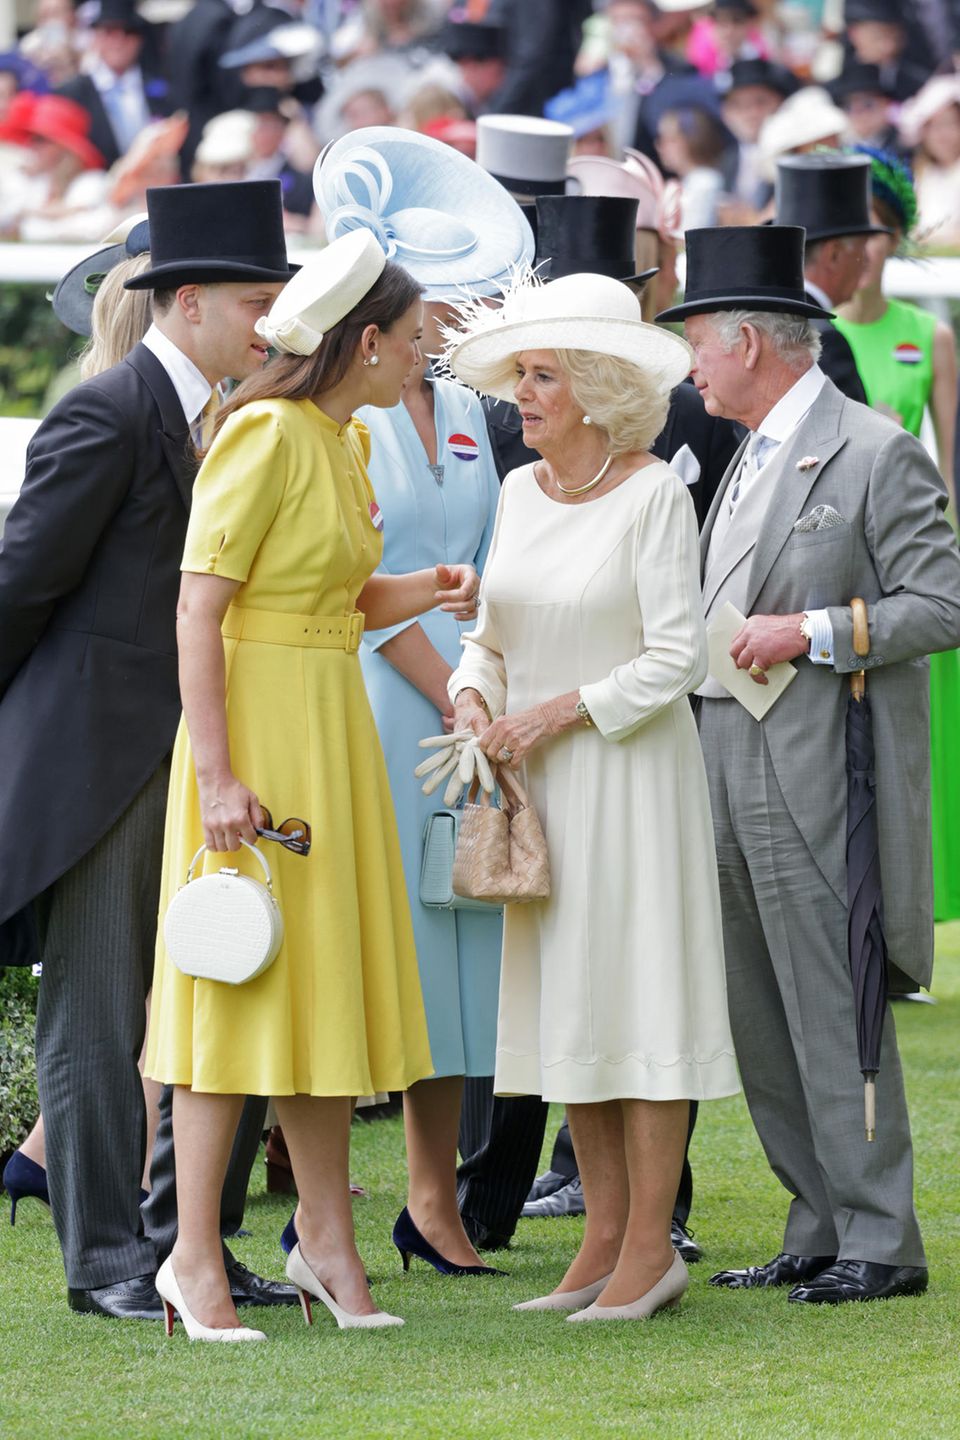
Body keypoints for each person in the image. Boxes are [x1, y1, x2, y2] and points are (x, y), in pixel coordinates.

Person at [144, 228, 480, 1341]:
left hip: (325, 725)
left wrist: (427, 585)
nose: (424, 356)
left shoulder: (342, 439)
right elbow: (201, 608)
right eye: (415, 337)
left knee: (322, 990)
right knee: (238, 992)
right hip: (258, 742)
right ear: (367, 339)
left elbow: (332, 598)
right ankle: (192, 1260)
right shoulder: (270, 435)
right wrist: (220, 774)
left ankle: (327, 1248)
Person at [0, 179, 300, 1321]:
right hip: (102, 764)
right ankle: (108, 1263)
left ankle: (196, 1253)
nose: (271, 318)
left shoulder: (217, 414)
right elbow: (22, 587)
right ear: (187, 304)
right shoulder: (110, 411)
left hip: (198, 752)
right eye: (255, 298)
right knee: (102, 1010)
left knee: (228, 985)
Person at [657, 222, 960, 1303]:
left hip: (828, 768)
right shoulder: (743, 450)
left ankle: (881, 1238)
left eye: (697, 335)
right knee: (759, 1005)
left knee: (834, 1002)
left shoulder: (878, 449)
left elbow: (943, 607)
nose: (689, 358)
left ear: (748, 339)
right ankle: (818, 1220)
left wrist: (816, 630)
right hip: (724, 756)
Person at [444, 267, 740, 1320]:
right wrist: (475, 697)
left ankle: (650, 1246)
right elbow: (488, 635)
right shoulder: (520, 492)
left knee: (641, 1003)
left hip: (629, 783)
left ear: (604, 389)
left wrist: (554, 710)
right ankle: (602, 1239)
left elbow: (679, 657)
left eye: (543, 376)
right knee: (574, 1011)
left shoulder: (656, 492)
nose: (522, 396)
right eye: (520, 375)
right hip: (542, 792)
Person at [313, 122, 532, 1278]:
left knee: (453, 956)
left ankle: (431, 1201)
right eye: (430, 315)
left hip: (463, 708)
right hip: (377, 707)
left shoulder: (453, 410)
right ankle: (304, 1205)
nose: (445, 330)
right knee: (372, 951)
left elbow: (488, 553)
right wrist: (453, 685)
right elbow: (351, 583)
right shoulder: (338, 425)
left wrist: (484, 677)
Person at [834, 147, 960, 922]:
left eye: (883, 231)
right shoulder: (814, 333)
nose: (870, 248)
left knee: (920, 751)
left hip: (911, 560)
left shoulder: (929, 336)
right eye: (858, 233)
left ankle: (916, 919)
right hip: (842, 562)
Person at [773, 151, 877, 404]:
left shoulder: (760, 317)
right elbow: (856, 439)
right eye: (861, 249)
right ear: (833, 254)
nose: (867, 261)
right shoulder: (822, 338)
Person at [56, 0, 171, 168]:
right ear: (96, 37)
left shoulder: (161, 89)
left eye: (128, 31)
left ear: (140, 39)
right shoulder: (70, 94)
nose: (119, 40)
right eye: (109, 31)